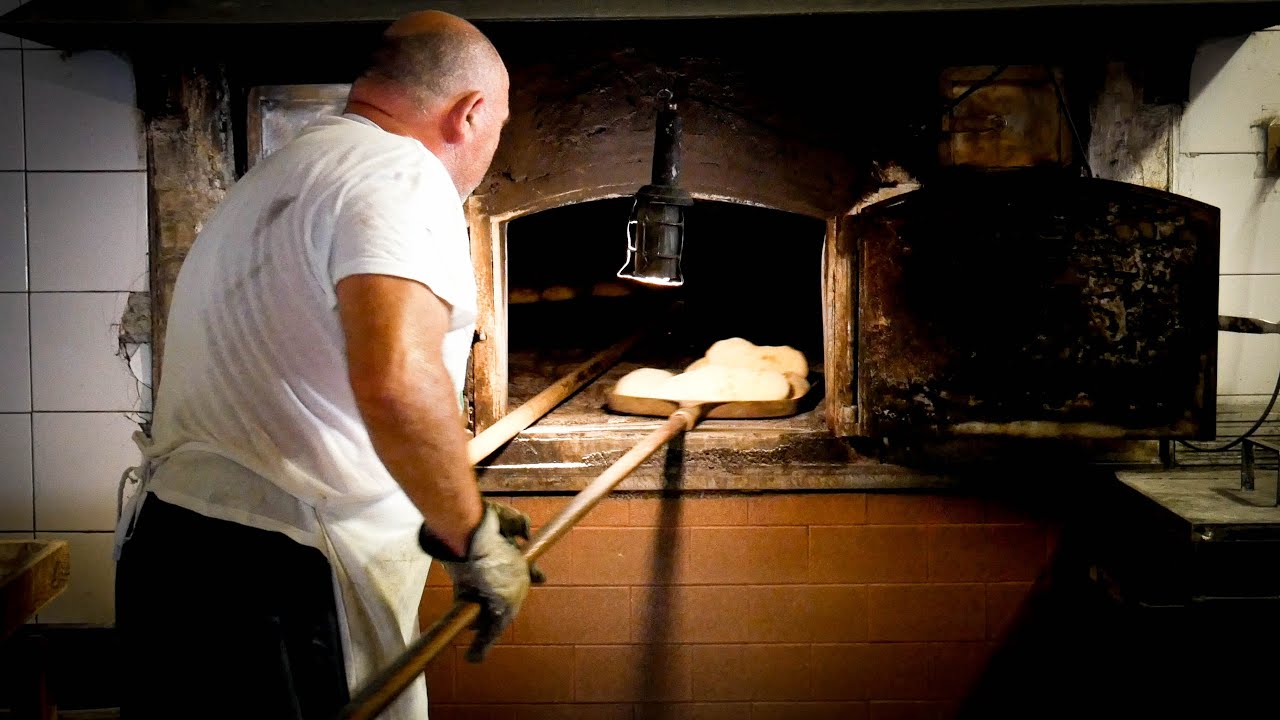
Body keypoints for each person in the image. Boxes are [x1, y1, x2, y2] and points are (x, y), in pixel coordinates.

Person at [112, 9, 540, 719]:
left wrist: (454, 509)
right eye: (501, 125)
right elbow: (398, 379)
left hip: (176, 549)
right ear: (470, 114)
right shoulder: (405, 175)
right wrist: (471, 540)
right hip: (274, 581)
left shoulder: (291, 167)